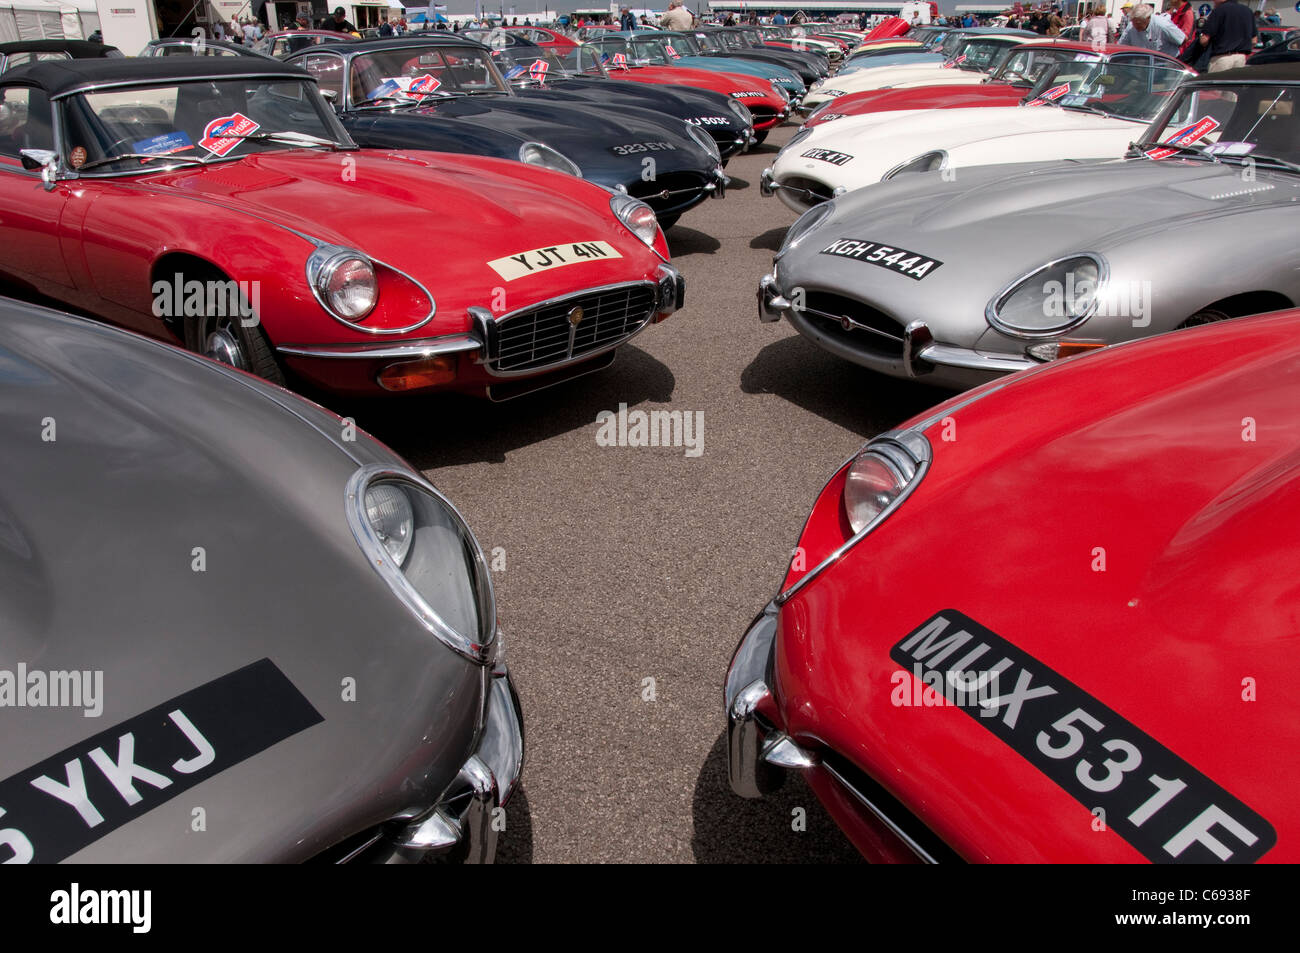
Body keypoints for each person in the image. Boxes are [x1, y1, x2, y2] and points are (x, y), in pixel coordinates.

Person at [1199, 0, 1256, 71]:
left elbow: (1204, 40)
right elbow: (1254, 41)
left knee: (1218, 81)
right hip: (1241, 58)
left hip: (1221, 58)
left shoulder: (1219, 10)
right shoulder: (1248, 11)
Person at [1118, 3, 1185, 55]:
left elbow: (1183, 39)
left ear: (1148, 18)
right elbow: (1121, 46)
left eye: (1138, 23)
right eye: (1133, 22)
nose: (1135, 26)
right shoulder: (1131, 27)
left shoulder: (1163, 25)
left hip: (1166, 64)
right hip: (1144, 64)